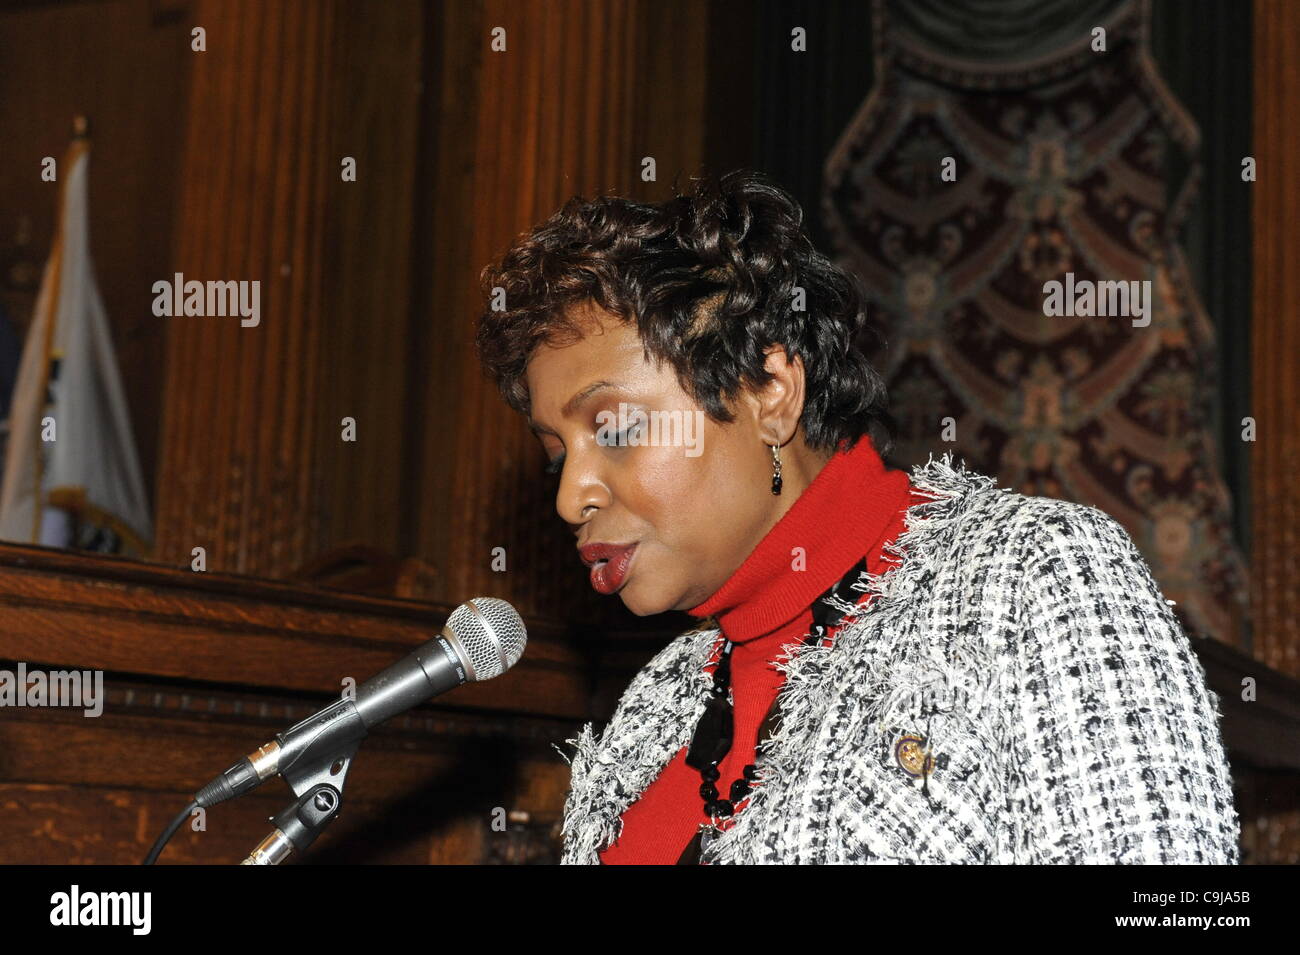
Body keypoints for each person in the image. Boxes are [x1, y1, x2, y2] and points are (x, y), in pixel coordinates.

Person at [474, 168, 1240, 864]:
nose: (571, 495)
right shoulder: (654, 705)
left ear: (770, 390)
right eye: (556, 455)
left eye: (612, 428)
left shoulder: (1031, 576)